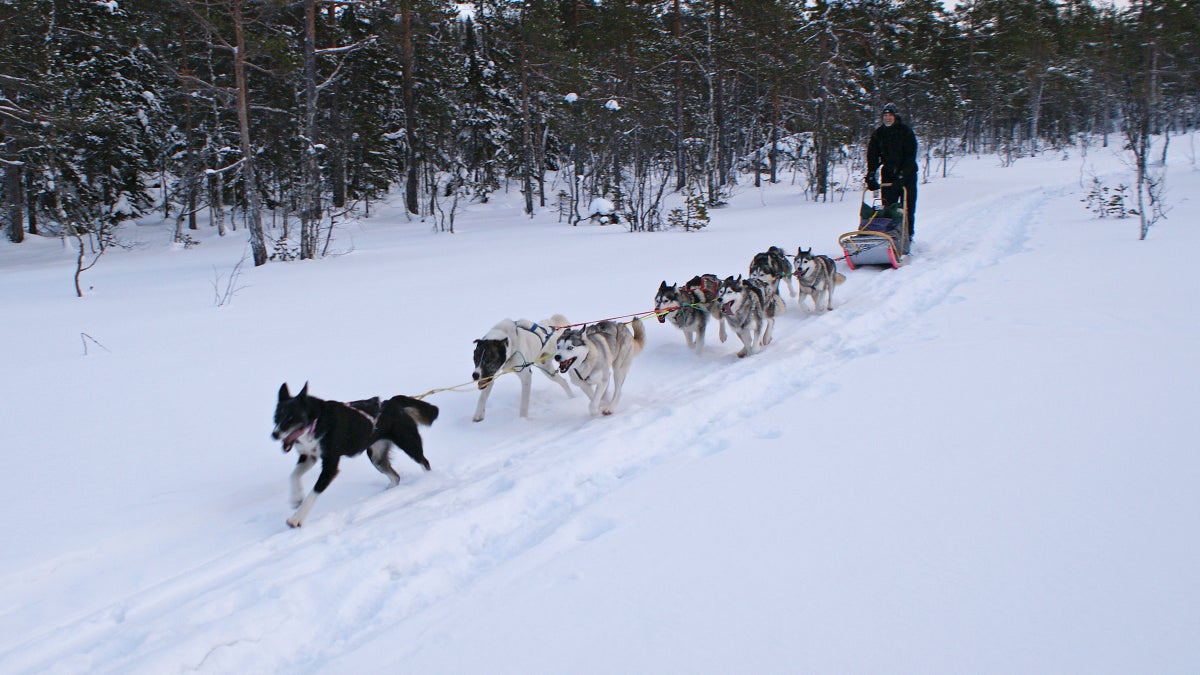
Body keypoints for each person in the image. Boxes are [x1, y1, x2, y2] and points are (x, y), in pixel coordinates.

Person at [865, 102, 918, 252]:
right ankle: (890, 237)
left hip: (907, 175)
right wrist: (871, 174)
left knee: (907, 208)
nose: (887, 118)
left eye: (890, 115)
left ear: (895, 116)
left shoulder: (906, 132)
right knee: (888, 208)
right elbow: (873, 155)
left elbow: (910, 156)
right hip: (888, 174)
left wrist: (902, 175)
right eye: (885, 115)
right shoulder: (879, 134)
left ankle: (907, 237)